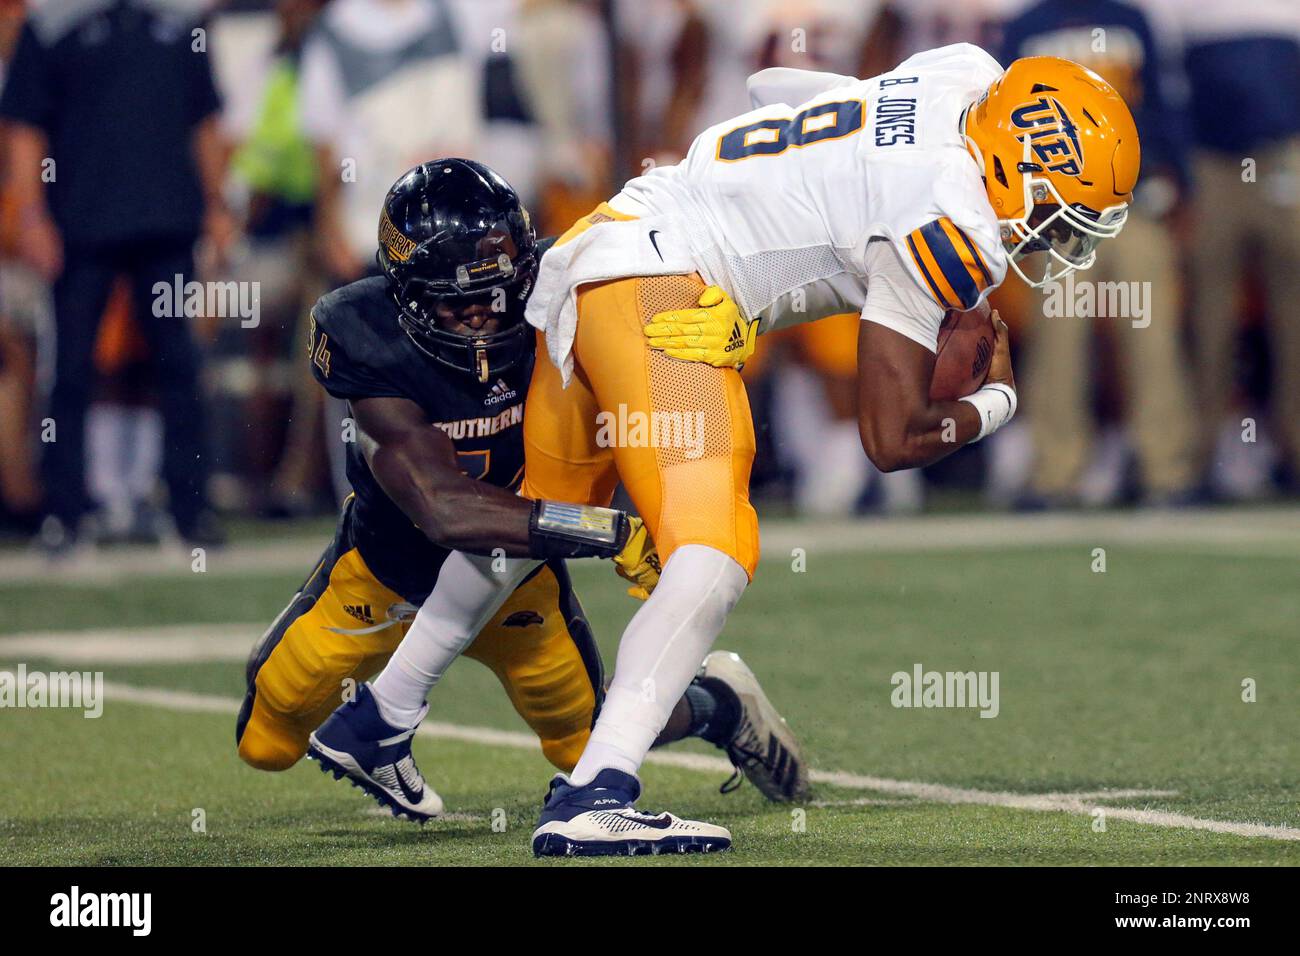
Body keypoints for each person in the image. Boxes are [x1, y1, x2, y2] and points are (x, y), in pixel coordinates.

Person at [317, 45, 1140, 856]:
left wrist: (812, 204)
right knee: (715, 551)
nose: (1050, 241)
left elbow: (770, 85)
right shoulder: (951, 222)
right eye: (1056, 214)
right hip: (668, 291)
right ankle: (596, 795)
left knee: (537, 508)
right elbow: (889, 439)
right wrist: (996, 403)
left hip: (601, 249)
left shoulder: (963, 74)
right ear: (1016, 168)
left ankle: (380, 715)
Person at [242, 160, 808, 819]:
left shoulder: (567, 274)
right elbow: (445, 510)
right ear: (407, 294)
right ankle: (383, 726)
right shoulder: (364, 333)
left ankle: (721, 706)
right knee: (268, 740)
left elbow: (663, 308)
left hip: (515, 574)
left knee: (585, 744)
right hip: (383, 571)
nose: (485, 316)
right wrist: (613, 531)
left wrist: (747, 314)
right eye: (460, 302)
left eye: (499, 293)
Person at [0, 0, 232, 552]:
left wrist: (219, 205)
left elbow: (203, 119)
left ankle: (190, 512)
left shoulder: (180, 20)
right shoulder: (52, 21)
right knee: (71, 371)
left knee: (179, 368)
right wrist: (31, 215)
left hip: (168, 220)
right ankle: (65, 514)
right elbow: (26, 126)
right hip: (80, 223)